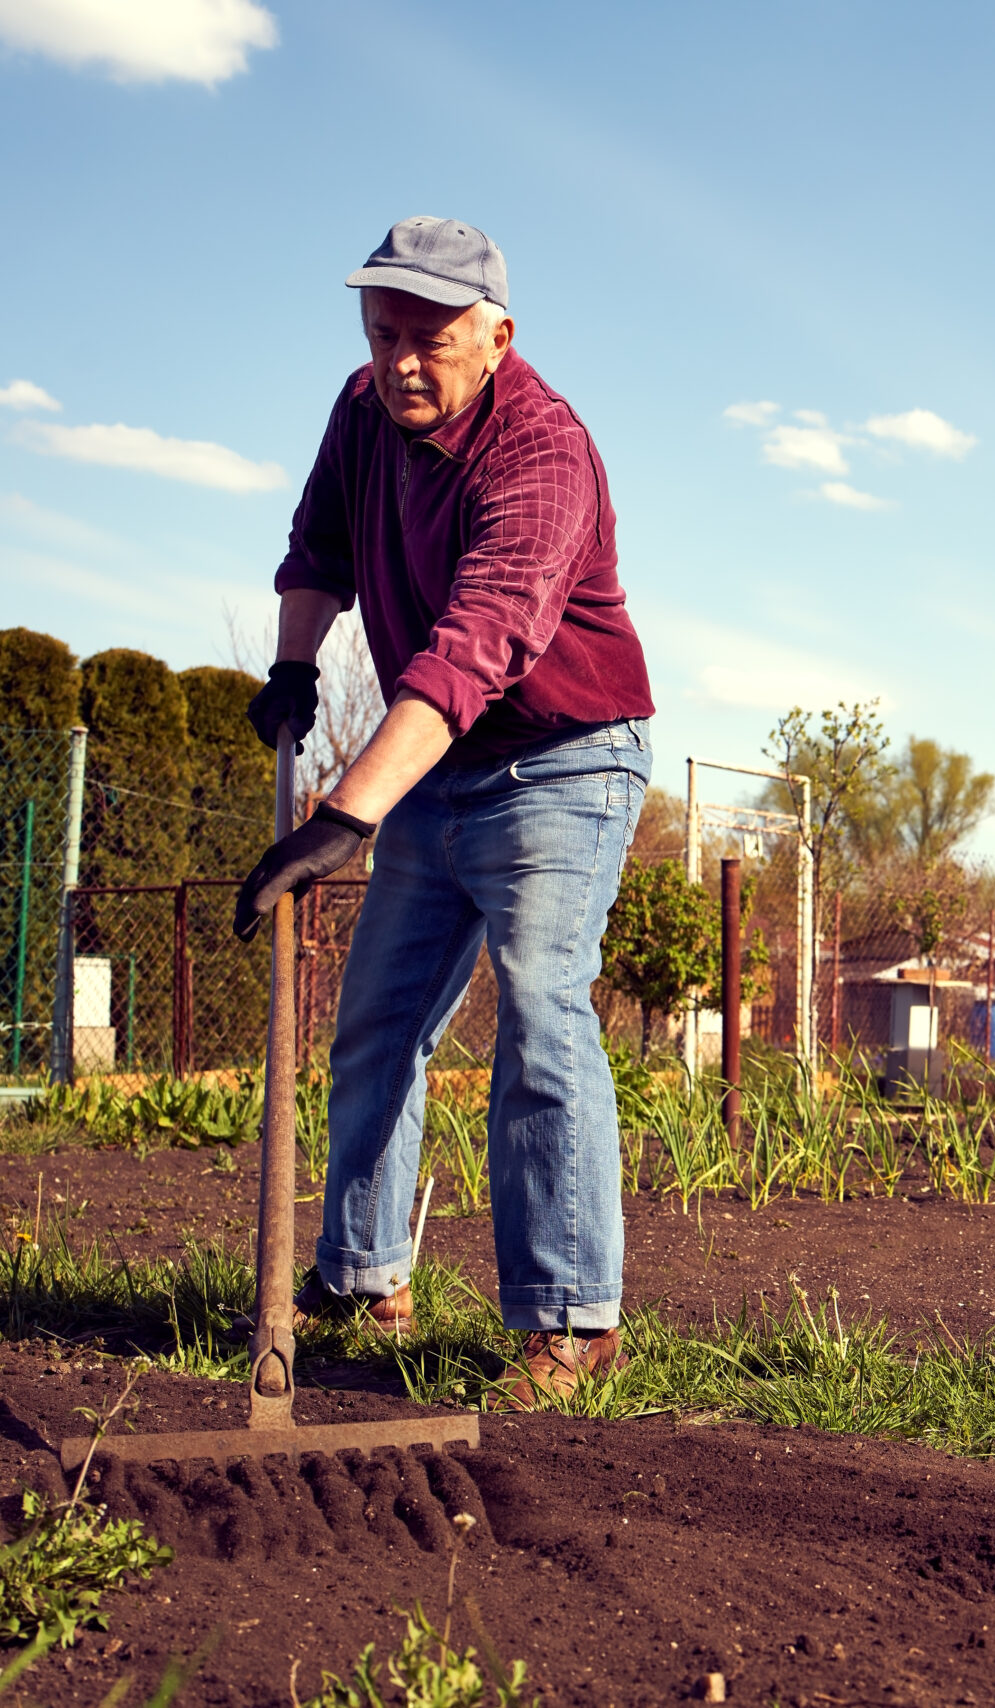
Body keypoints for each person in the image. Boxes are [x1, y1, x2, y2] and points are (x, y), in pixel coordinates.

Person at [235, 216, 654, 1407]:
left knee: (541, 1002)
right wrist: (294, 666)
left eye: (429, 338)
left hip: (563, 759)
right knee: (376, 1019)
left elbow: (480, 646)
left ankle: (571, 1321)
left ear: (497, 335)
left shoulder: (543, 451)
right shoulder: (362, 413)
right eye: (382, 335)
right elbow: (318, 548)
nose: (401, 362)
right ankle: (365, 1280)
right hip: (436, 760)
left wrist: (345, 811)